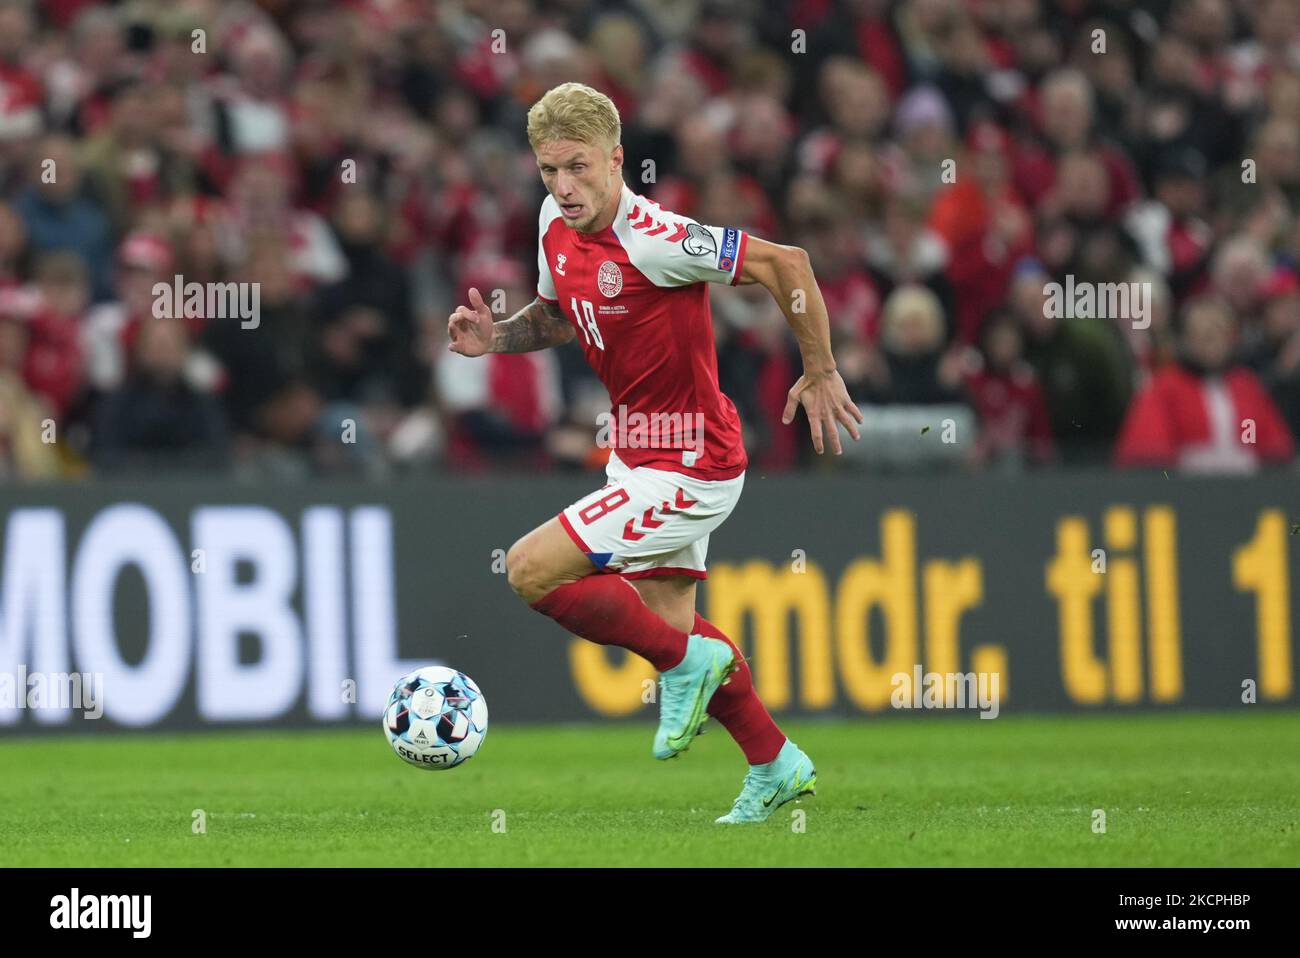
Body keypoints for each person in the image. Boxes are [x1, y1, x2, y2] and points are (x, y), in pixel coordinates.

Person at [447, 82, 862, 824]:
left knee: (529, 570)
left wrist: (821, 367)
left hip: (693, 461)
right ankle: (774, 763)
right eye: (548, 171)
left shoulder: (658, 237)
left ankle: (685, 665)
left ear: (616, 160)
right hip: (635, 456)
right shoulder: (551, 224)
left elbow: (787, 264)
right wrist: (498, 338)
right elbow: (559, 315)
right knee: (670, 622)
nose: (563, 187)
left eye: (577, 167)